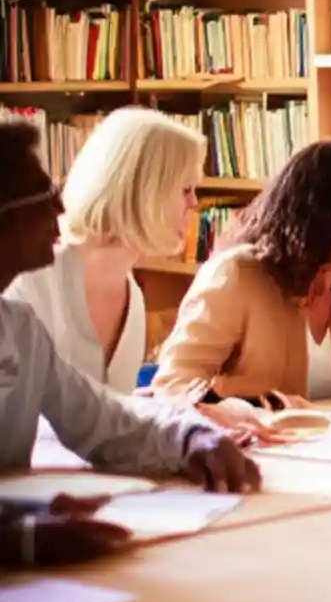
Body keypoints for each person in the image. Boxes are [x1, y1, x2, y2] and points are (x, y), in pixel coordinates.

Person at [0, 121, 260, 567]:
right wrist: (19, 540)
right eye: (43, 198)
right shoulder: (32, 304)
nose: (61, 207)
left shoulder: (20, 327)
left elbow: (101, 416)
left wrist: (189, 435)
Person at [150, 140, 331, 427]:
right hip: (253, 453)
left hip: (329, 455)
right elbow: (173, 387)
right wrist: (259, 412)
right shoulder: (237, 275)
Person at [5, 107, 203, 393]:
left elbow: (104, 413)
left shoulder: (131, 296)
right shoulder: (29, 282)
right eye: (186, 189)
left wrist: (187, 413)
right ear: (144, 192)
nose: (195, 203)